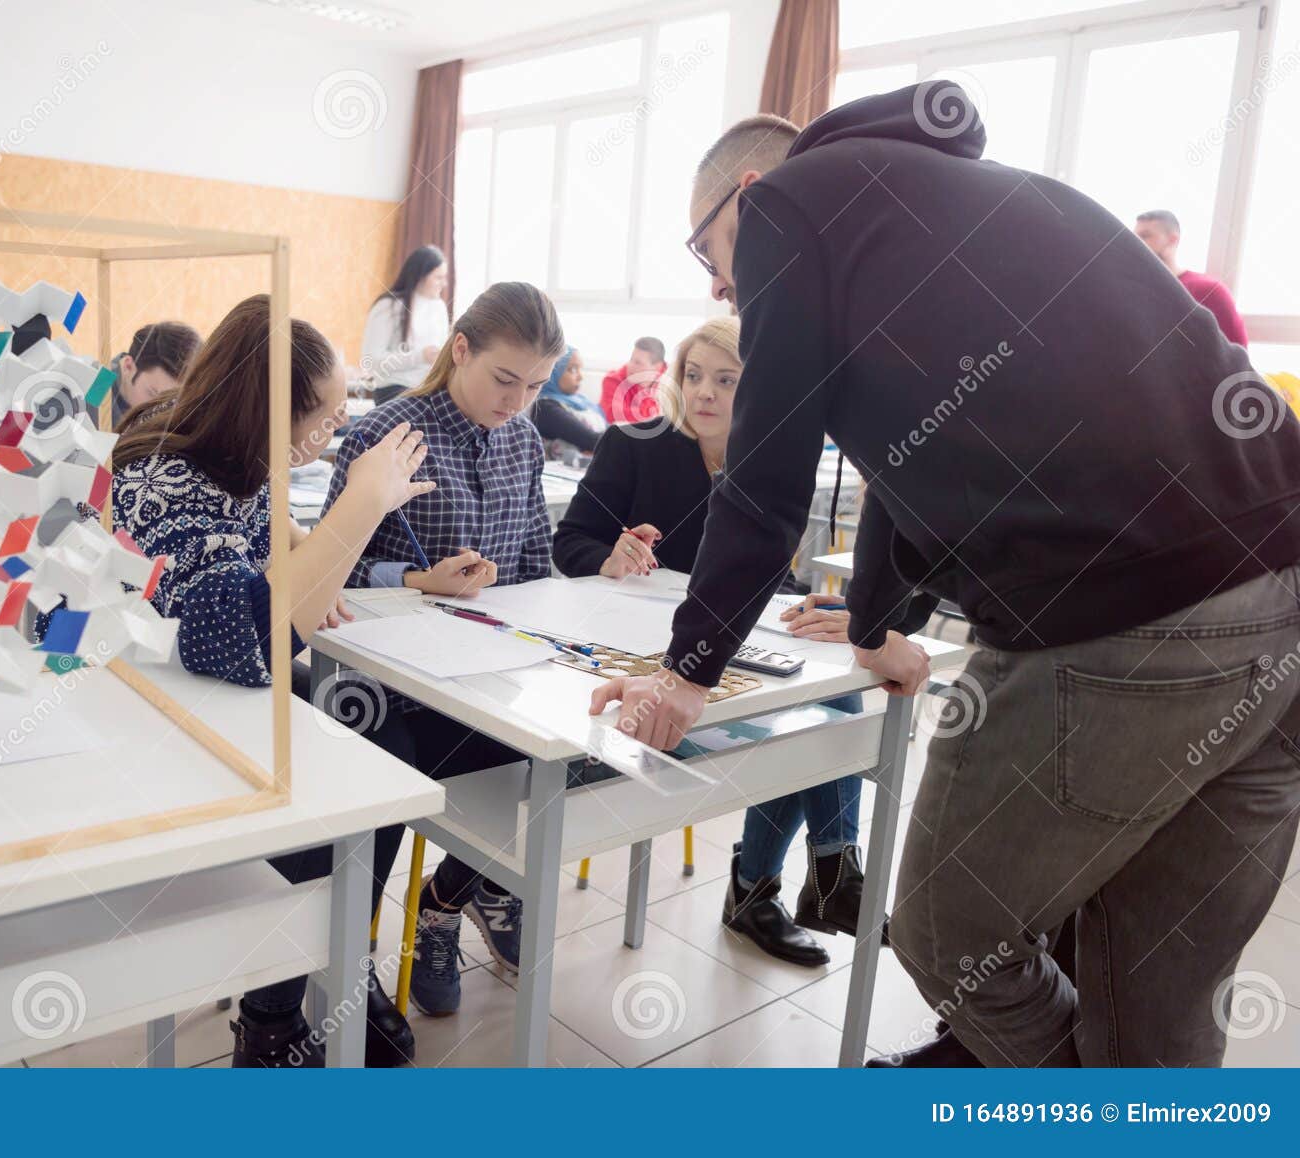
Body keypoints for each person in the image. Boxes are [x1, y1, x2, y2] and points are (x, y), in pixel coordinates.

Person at [593, 85, 1300, 1068]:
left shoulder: (794, 205)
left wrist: (682, 674)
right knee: (1157, 1000)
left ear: (747, 196)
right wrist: (875, 625)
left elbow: (766, 483)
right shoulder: (943, 198)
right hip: (1278, 585)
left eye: (705, 253)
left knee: (945, 930)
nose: (719, 289)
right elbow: (905, 459)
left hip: (1133, 608)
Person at [110, 294, 434, 1068]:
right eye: (316, 422)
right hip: (151, 720)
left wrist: (342, 558)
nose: (325, 439)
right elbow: (242, 643)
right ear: (263, 411)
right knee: (334, 774)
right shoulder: (160, 469)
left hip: (214, 698)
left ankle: (339, 954)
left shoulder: (239, 460)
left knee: (382, 744)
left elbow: (286, 547)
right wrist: (357, 509)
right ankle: (274, 1013)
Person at [554, 317, 922, 966]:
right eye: (692, 376)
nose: (704, 393)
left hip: (725, 653)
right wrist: (610, 555)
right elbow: (570, 544)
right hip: (643, 654)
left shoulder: (770, 461)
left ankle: (807, 878)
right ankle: (792, 883)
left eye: (725, 380)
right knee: (809, 726)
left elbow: (776, 573)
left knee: (830, 706)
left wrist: (829, 608)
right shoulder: (634, 444)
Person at [322, 281, 563, 1017]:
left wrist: (589, 580)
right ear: (460, 350)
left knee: (551, 760)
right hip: (385, 682)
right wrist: (417, 579)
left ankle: (446, 904)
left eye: (537, 386)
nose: (518, 401)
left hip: (485, 674)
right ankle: (345, 959)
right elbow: (325, 571)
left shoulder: (523, 438)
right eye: (504, 379)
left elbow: (535, 563)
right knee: (386, 778)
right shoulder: (387, 435)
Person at [1134, 209, 1248, 345]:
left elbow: (1237, 359)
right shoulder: (1136, 292)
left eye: (1145, 236)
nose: (1136, 243)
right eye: (1134, 237)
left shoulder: (1209, 291)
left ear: (1172, 240)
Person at [360, 245, 451, 404]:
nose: (444, 284)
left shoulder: (439, 307)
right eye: (438, 277)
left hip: (428, 388)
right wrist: (419, 356)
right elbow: (371, 362)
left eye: (444, 277)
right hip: (394, 388)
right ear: (420, 276)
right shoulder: (388, 306)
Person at [102, 320, 200, 426]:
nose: (159, 411)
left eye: (172, 403)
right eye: (153, 393)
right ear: (128, 366)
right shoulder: (95, 390)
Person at [532, 346, 604, 460]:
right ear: (552, 372)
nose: (581, 377)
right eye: (573, 369)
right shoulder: (546, 408)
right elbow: (592, 440)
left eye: (580, 369)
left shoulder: (583, 402)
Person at [599, 335, 667, 424]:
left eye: (638, 363)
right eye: (631, 359)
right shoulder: (612, 380)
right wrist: (654, 413)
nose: (630, 366)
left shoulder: (669, 380)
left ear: (657, 367)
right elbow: (614, 415)